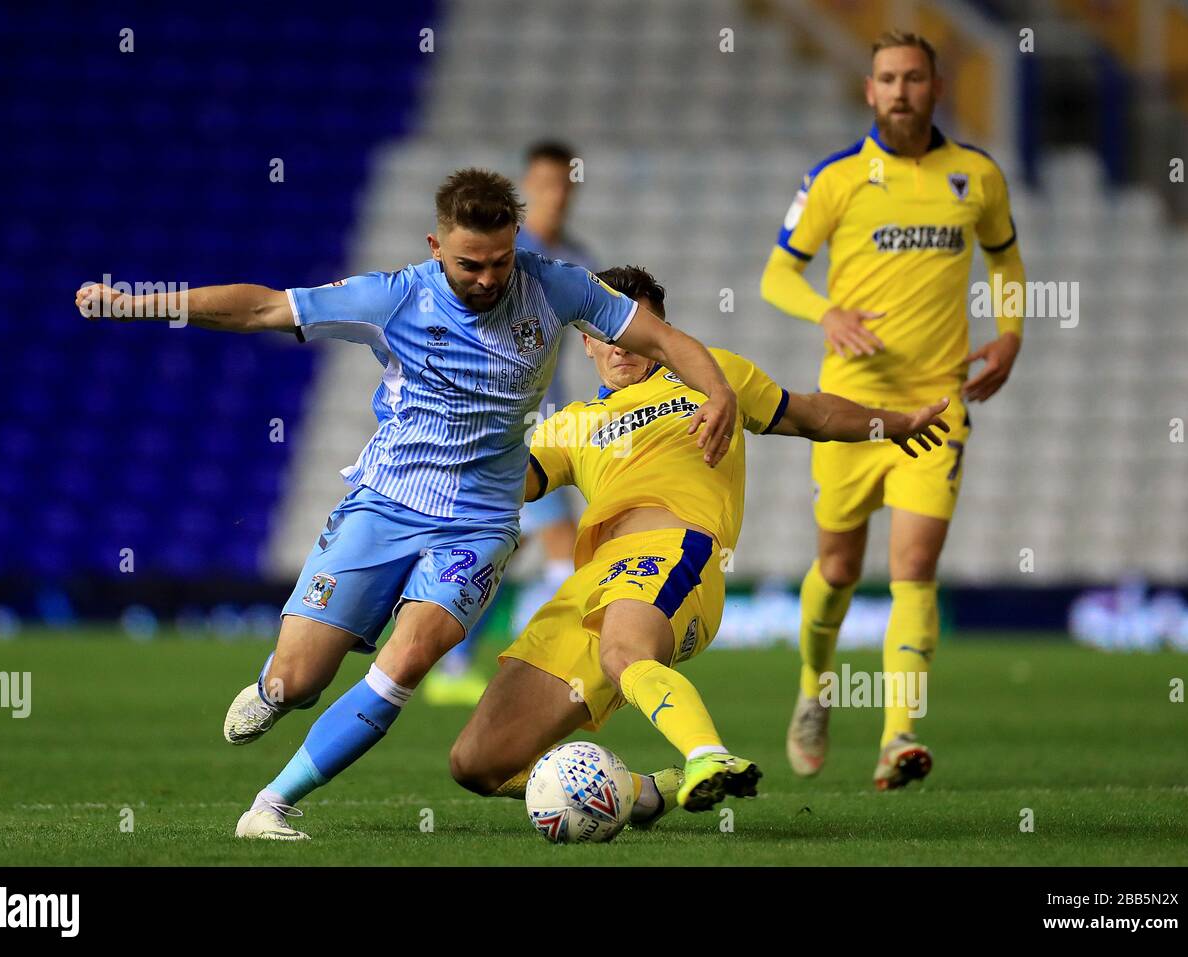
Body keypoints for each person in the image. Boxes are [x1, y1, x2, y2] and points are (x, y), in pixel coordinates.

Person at [74, 169, 740, 841]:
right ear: (434, 246)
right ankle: (277, 689)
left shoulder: (556, 285)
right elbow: (262, 308)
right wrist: (137, 303)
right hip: (385, 505)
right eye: (469, 264)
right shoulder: (392, 297)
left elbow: (660, 338)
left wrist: (717, 390)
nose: (487, 278)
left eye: (500, 261)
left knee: (412, 653)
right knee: (299, 679)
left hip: (479, 525)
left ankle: (270, 804)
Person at [448, 265, 949, 821]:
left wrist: (893, 423)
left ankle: (710, 756)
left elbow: (814, 412)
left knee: (623, 652)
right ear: (586, 340)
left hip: (673, 552)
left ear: (659, 333)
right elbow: (508, 486)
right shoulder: (568, 424)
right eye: (604, 332)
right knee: (477, 763)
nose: (620, 346)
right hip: (589, 584)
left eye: (634, 331)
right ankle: (647, 791)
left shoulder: (710, 381)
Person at [760, 31, 1027, 789]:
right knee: (838, 569)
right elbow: (778, 276)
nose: (901, 89)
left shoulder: (975, 176)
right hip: (848, 411)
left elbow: (1005, 257)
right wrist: (826, 314)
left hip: (936, 408)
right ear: (869, 91)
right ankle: (813, 691)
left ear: (937, 87)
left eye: (914, 76)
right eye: (887, 77)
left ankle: (898, 734)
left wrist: (1010, 333)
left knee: (914, 568)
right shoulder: (837, 178)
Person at [424, 142, 596, 706]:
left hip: (553, 411)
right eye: (545, 184)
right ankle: (538, 672)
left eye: (565, 184)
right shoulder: (511, 258)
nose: (557, 194)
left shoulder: (570, 258)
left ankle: (454, 661)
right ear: (528, 190)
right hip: (517, 420)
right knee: (558, 545)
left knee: (508, 547)